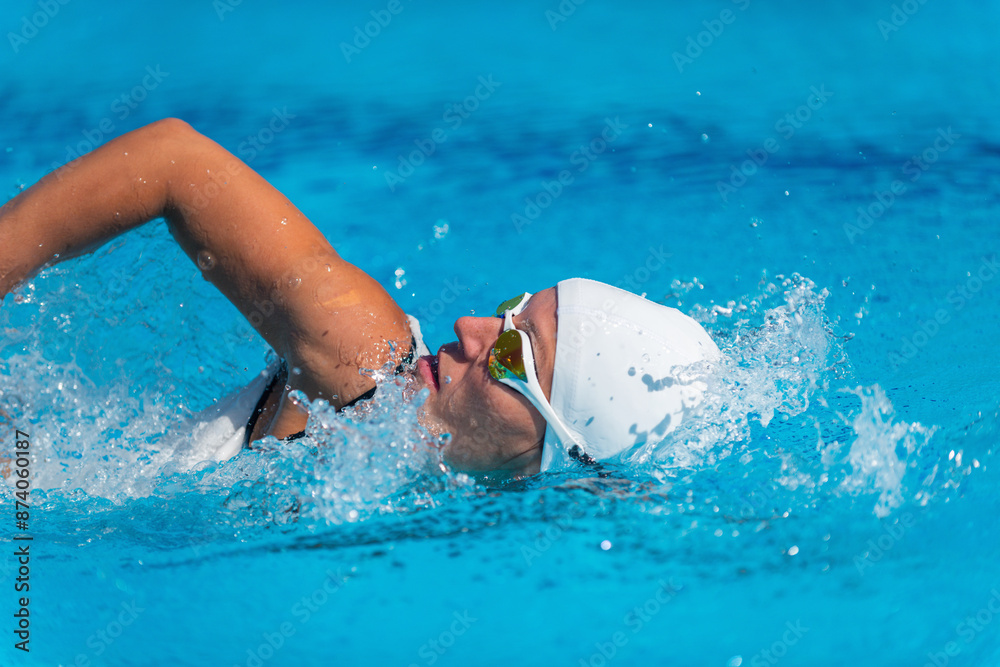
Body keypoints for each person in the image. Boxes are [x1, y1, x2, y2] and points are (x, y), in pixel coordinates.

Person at [0, 119, 719, 480]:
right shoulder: (366, 364)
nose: (467, 328)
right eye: (508, 311)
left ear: (560, 447)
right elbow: (176, 161)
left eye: (511, 350)